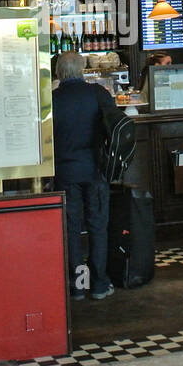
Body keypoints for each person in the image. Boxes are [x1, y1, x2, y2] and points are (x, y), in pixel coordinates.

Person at [52, 51, 119, 300]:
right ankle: (99, 284)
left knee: (71, 228)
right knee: (97, 226)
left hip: (65, 171)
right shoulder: (99, 94)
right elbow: (113, 128)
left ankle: (76, 285)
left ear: (59, 72)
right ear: (82, 70)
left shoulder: (53, 99)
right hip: (95, 169)